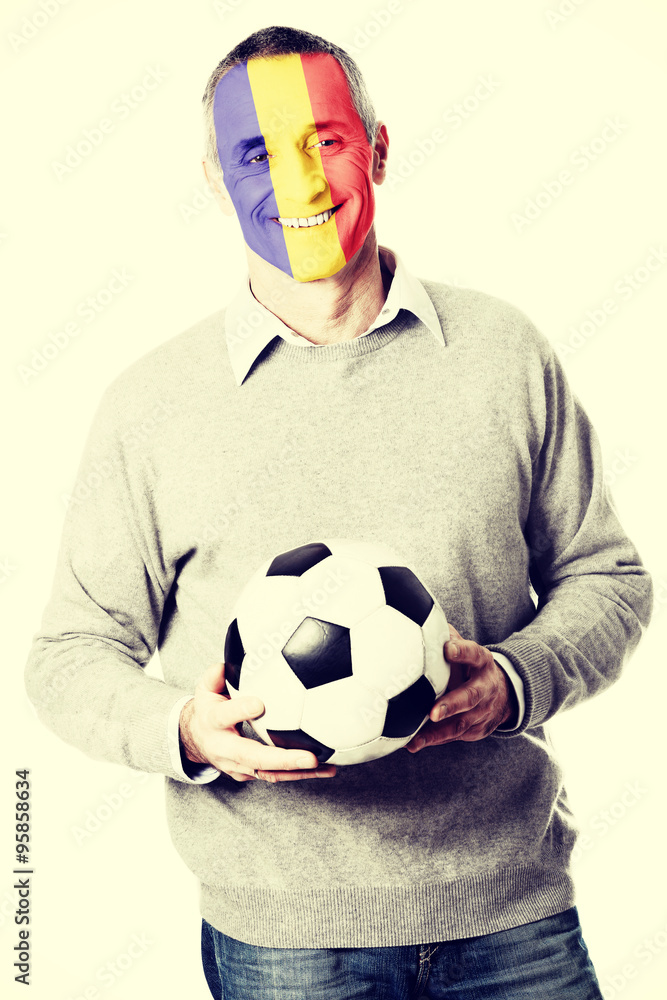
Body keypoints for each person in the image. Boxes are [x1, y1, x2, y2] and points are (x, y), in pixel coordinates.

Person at [25, 24, 652, 1000]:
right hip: (286, 949)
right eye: (257, 153)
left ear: (379, 147)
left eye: (323, 139)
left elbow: (607, 577)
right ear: (213, 178)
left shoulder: (503, 353)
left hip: (514, 919)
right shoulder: (151, 403)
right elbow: (69, 651)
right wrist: (185, 728)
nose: (301, 182)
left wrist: (515, 681)